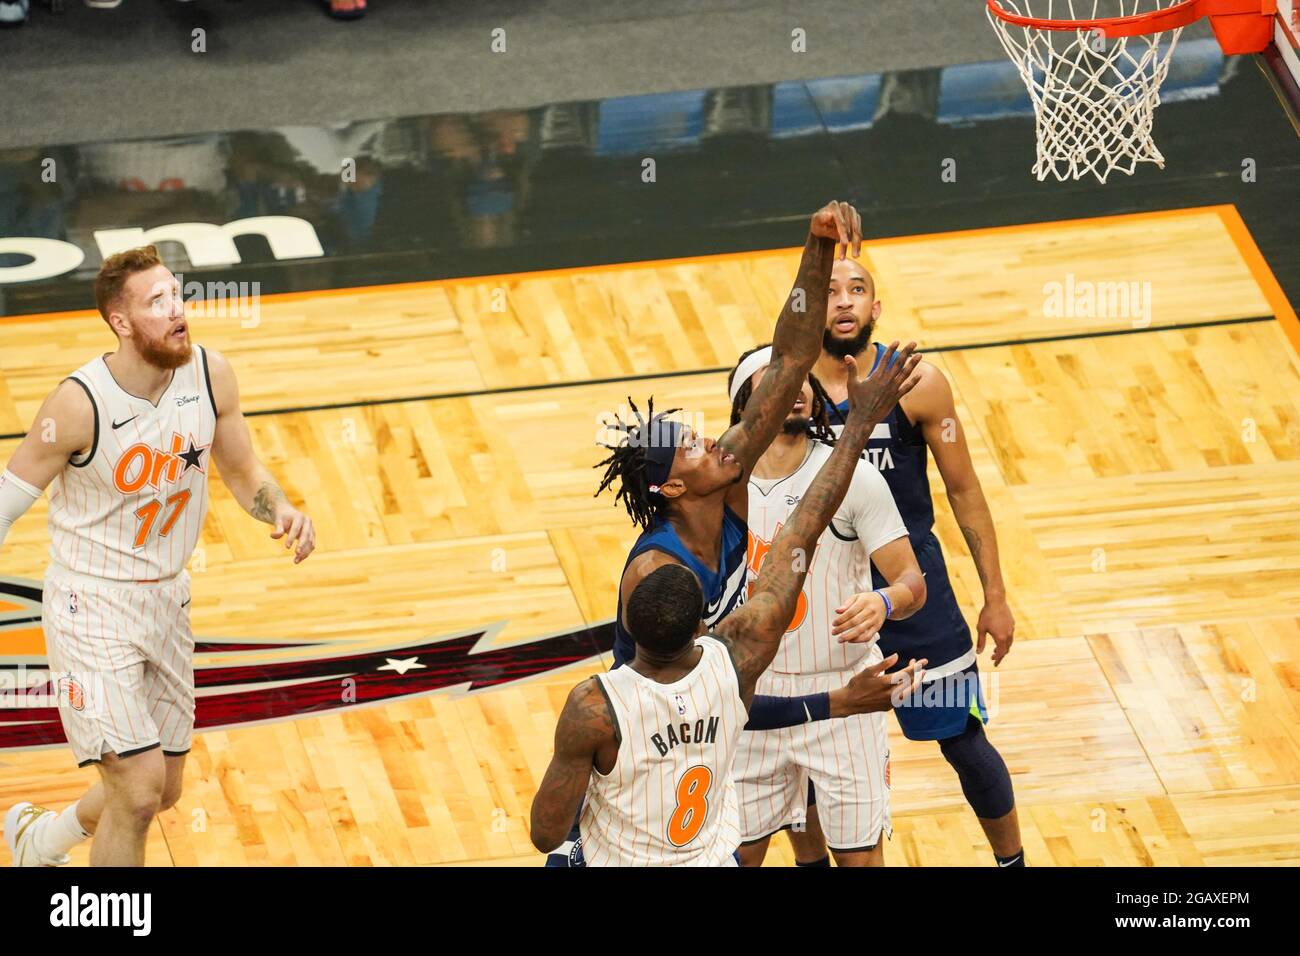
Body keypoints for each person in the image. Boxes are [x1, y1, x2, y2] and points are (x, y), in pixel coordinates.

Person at [530, 344, 926, 865]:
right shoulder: (727, 667)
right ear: (702, 622)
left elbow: (546, 832)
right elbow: (802, 529)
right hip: (735, 773)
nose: (708, 442)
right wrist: (859, 426)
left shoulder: (596, 709)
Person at [0, 245, 316, 867]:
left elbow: (241, 466)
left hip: (166, 599)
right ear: (120, 322)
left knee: (159, 790)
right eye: (157, 302)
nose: (178, 310)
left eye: (177, 294)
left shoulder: (209, 373)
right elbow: (7, 500)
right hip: (89, 604)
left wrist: (278, 506)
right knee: (138, 790)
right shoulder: (77, 405)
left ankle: (41, 840)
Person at [814, 257, 1024, 867]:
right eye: (830, 292)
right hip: (823, 599)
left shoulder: (919, 383)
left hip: (911, 594)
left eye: (858, 291)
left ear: (876, 309)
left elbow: (964, 490)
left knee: (960, 737)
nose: (845, 302)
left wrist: (996, 595)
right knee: (805, 741)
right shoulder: (785, 388)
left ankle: (1014, 864)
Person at [725, 344, 926, 866]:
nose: (794, 388)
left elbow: (911, 581)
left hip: (845, 692)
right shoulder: (720, 487)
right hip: (753, 698)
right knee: (736, 855)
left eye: (801, 378)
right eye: (775, 380)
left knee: (859, 859)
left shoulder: (853, 476)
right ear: (744, 402)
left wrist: (885, 601)